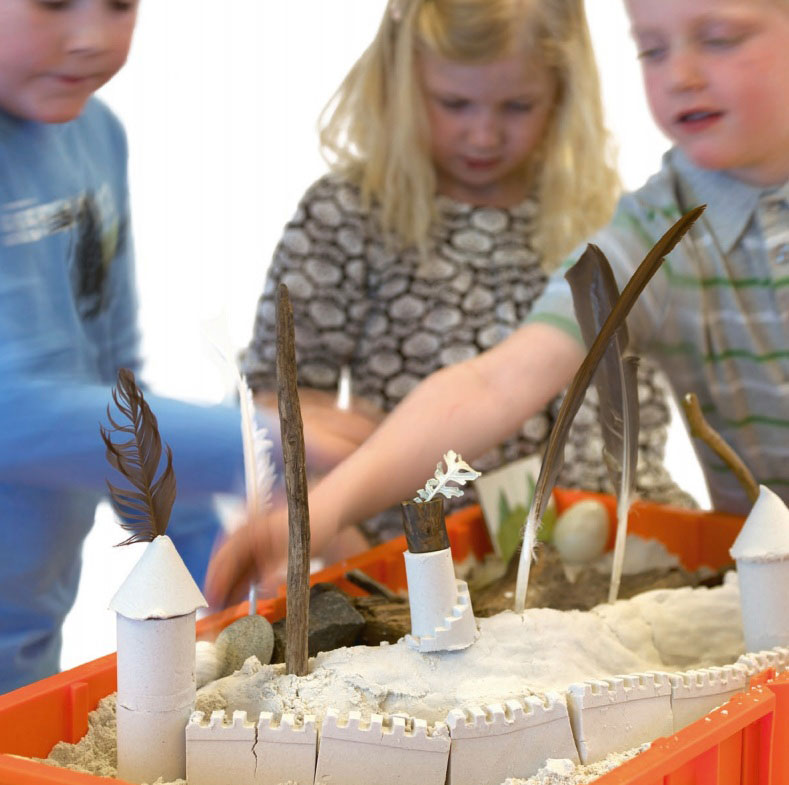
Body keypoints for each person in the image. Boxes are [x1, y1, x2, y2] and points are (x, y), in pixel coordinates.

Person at [206, 0, 789, 606]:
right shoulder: (654, 228)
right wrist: (319, 511)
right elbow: (495, 383)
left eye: (721, 38)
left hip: (643, 539)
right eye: (651, 50)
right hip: (481, 563)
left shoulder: (593, 203)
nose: (680, 75)